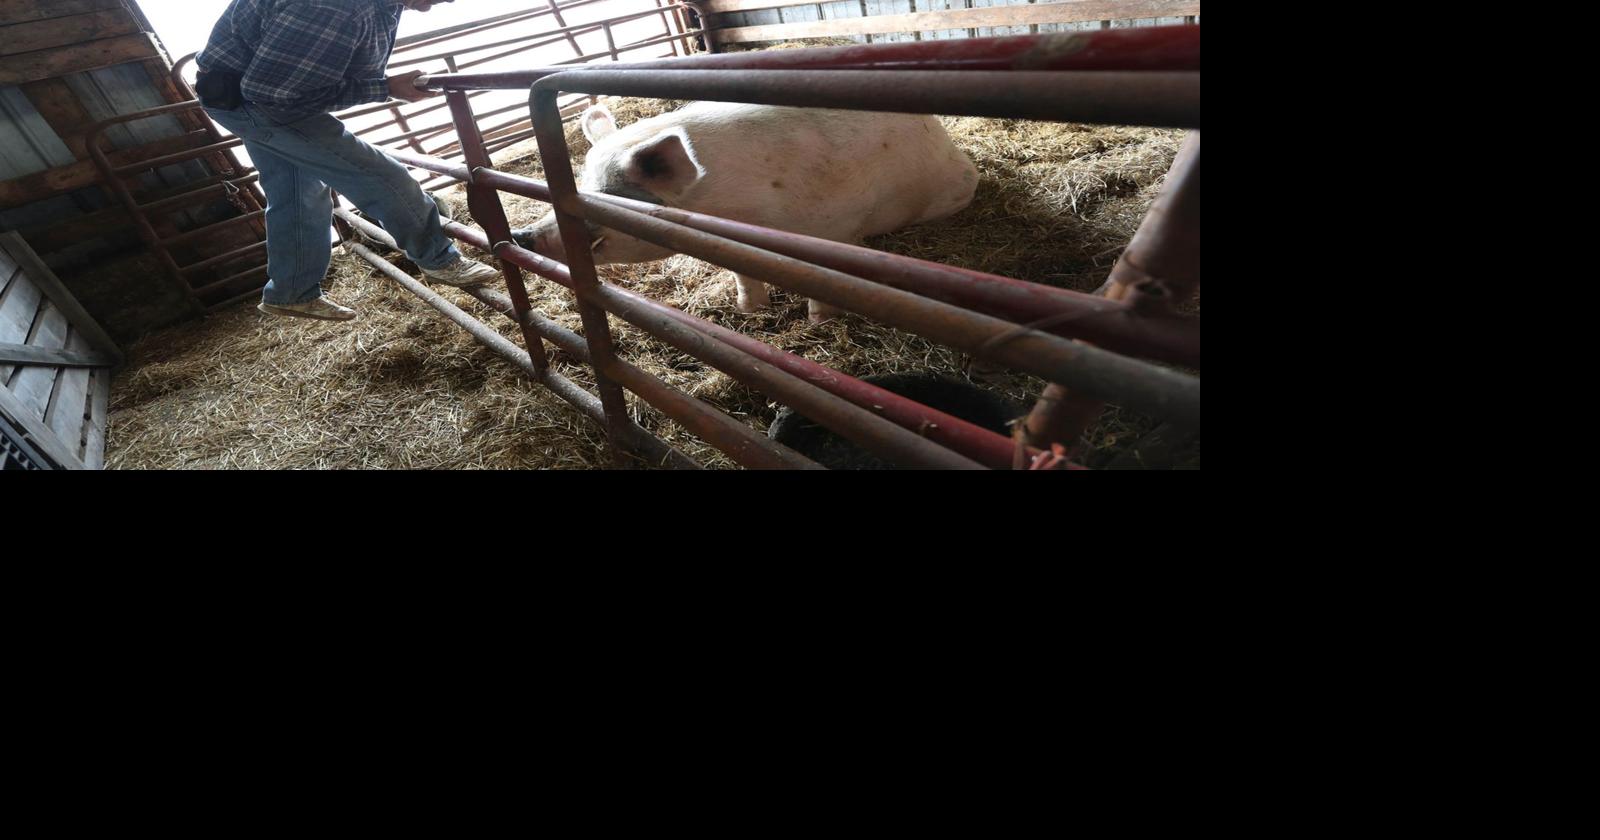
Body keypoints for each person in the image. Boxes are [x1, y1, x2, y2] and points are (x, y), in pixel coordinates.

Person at [195, 0, 498, 321]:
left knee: (297, 193)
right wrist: (384, 87)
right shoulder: (335, 7)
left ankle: (291, 291)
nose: (427, 10)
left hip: (242, 95)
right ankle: (438, 259)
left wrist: (383, 84)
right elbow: (273, 93)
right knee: (380, 176)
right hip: (259, 101)